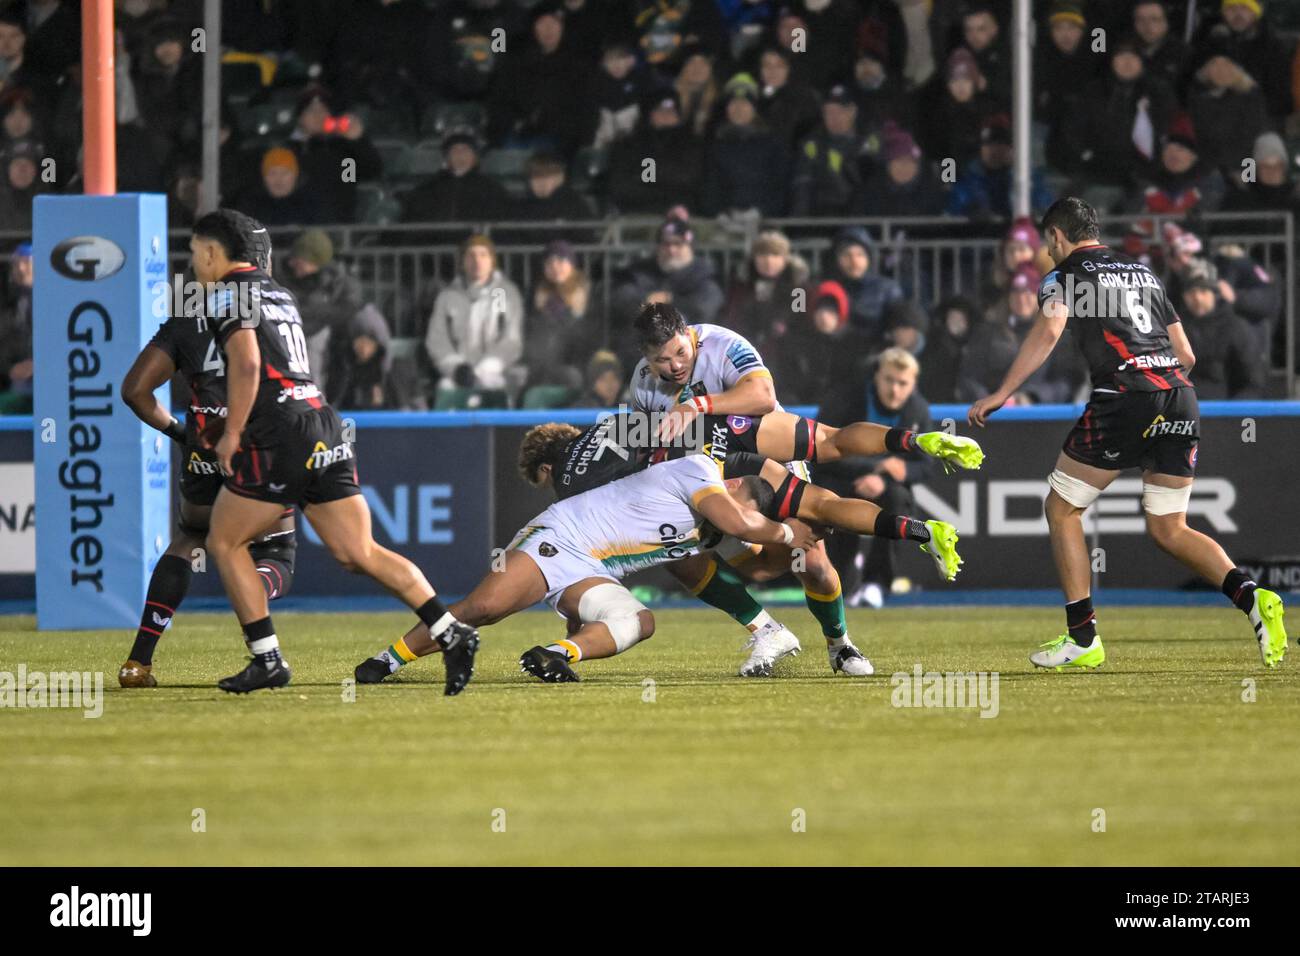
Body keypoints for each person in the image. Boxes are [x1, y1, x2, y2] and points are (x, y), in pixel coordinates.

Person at [967, 197, 1287, 670]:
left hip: (1125, 395)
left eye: (1046, 243)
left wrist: (1003, 391)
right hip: (1179, 394)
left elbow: (1049, 331)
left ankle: (1083, 637)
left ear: (1056, 235)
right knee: (1169, 528)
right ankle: (1251, 596)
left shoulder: (1063, 277)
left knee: (1061, 508)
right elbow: (1187, 353)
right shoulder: (1144, 273)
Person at [190, 209, 480, 694]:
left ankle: (267, 660)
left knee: (223, 541)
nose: (194, 263)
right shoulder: (280, 293)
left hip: (278, 429)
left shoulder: (227, 294)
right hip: (322, 420)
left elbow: (246, 365)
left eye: (196, 252)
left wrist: (232, 432)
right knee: (357, 552)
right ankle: (451, 632)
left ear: (214, 254)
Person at [358, 455, 818, 685]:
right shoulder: (701, 470)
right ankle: (389, 657)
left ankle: (557, 654)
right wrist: (783, 532)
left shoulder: (712, 527)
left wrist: (808, 535)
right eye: (743, 511)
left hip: (591, 568)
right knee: (484, 607)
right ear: (733, 484)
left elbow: (756, 568)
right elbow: (743, 523)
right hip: (561, 537)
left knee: (640, 621)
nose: (736, 524)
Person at [117, 222, 298, 687]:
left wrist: (180, 433)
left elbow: (135, 391)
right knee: (277, 546)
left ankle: (138, 662)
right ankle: (259, 638)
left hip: (202, 449)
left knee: (188, 538)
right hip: (256, 444)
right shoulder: (270, 304)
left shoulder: (185, 318)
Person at [817, 348, 936, 608]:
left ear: (913, 384)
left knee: (897, 500)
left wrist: (897, 473)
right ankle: (842, 582)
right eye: (889, 380)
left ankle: (876, 584)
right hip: (838, 482)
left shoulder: (918, 411)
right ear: (877, 377)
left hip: (886, 487)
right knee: (834, 508)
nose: (895, 390)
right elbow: (822, 451)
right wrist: (877, 468)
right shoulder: (845, 399)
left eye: (902, 383)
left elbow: (925, 466)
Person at [608, 214, 724, 367]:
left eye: (678, 244)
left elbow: (704, 307)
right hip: (639, 357)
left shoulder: (703, 274)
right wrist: (646, 300)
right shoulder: (642, 270)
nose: (671, 250)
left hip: (692, 358)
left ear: (690, 247)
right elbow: (620, 297)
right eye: (666, 244)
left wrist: (670, 301)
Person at [424, 233, 524, 395]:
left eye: (483, 255)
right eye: (471, 255)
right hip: (458, 375)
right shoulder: (447, 296)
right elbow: (437, 341)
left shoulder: (504, 293)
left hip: (498, 373)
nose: (477, 261)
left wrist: (488, 367)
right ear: (462, 262)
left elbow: (511, 340)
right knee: (446, 390)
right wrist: (456, 368)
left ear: (492, 261)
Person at [1177, 260, 1265, 400]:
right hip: (1182, 410)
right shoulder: (1175, 329)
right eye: (1192, 292)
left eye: (1203, 291)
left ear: (1215, 294)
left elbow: (1252, 381)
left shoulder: (1236, 328)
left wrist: (1233, 413)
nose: (1198, 298)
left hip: (1223, 412)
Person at [0, 239, 32, 413]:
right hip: (18, 382)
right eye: (18, 263)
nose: (21, 269)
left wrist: (34, 365)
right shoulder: (14, 301)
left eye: (26, 262)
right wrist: (10, 368)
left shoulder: (49, 302)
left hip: (44, 382)